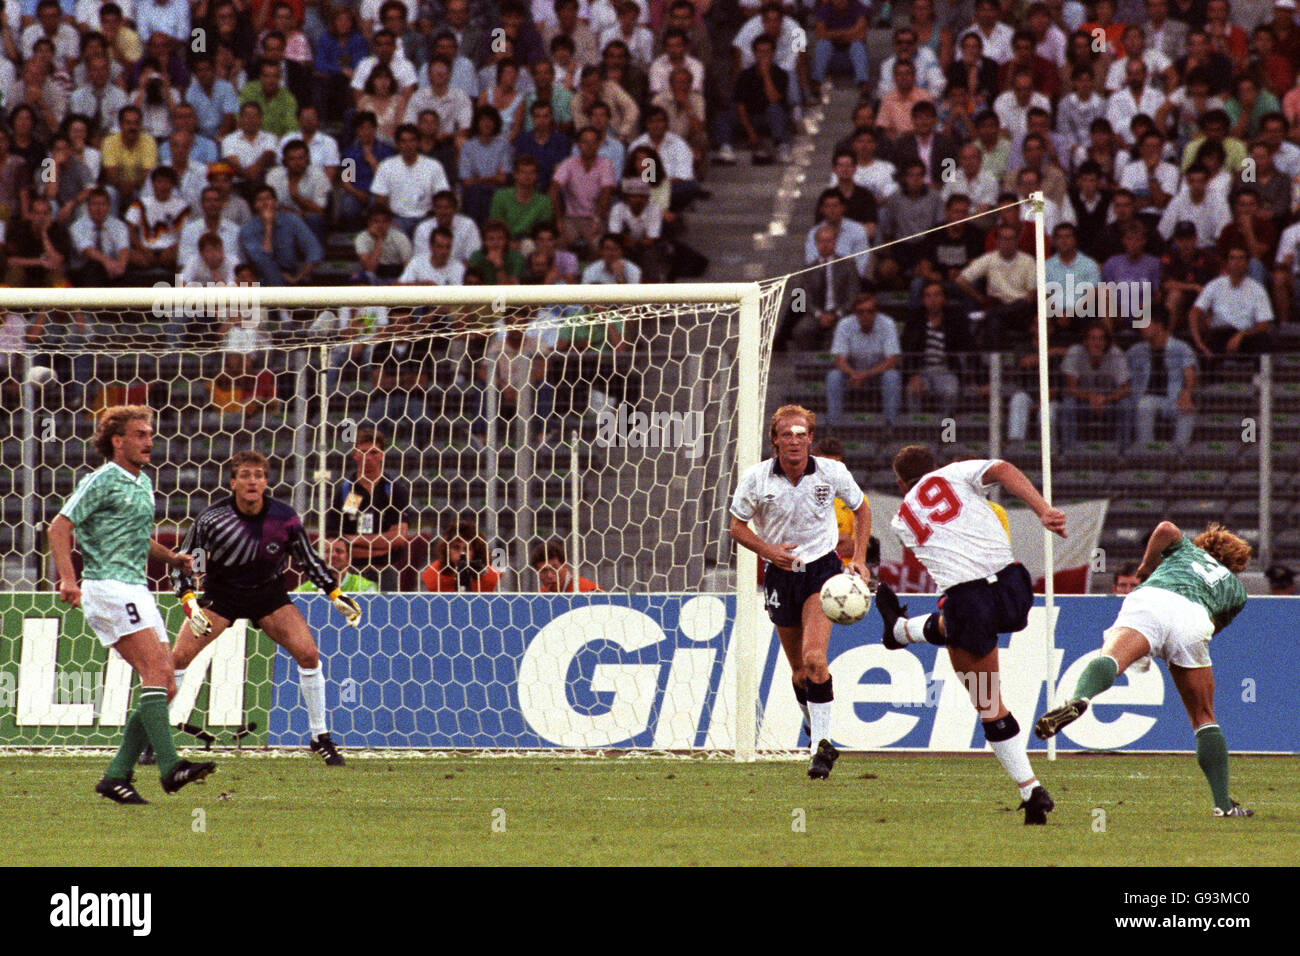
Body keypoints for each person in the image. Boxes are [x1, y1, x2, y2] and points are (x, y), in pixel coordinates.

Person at [875, 444, 1065, 824]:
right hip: (1014, 588)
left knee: (988, 702)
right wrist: (1043, 510)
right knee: (960, 626)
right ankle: (901, 629)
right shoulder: (957, 472)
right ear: (938, 466)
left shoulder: (901, 520)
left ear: (900, 483)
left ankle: (1031, 790)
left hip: (969, 599)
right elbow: (1004, 467)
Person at [47, 405, 215, 804]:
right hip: (107, 587)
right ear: (117, 440)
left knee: (167, 681)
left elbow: (138, 537)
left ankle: (116, 776)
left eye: (150, 434)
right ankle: (171, 766)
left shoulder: (142, 482)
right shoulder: (101, 479)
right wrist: (68, 579)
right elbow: (59, 527)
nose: (149, 441)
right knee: (156, 671)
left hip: (136, 588)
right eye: (140, 434)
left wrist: (171, 557)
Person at [1035, 521, 1254, 818]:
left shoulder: (1186, 549)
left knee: (1113, 658)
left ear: (1204, 544)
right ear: (1237, 564)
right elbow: (1212, 628)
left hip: (1150, 599)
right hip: (1194, 618)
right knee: (1203, 716)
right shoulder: (1237, 591)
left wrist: (1146, 568)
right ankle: (1223, 805)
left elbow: (1165, 528)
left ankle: (1081, 698)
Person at [170, 450, 361, 767]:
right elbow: (181, 564)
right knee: (177, 657)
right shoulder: (211, 519)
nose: (252, 481)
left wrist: (335, 593)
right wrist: (190, 604)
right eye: (245, 475)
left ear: (266, 482)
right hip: (222, 596)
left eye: (258, 475)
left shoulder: (284, 518)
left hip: (269, 596)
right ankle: (152, 737)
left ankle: (320, 737)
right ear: (233, 482)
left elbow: (309, 560)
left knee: (309, 654)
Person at [729, 405, 872, 779]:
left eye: (801, 434)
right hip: (780, 576)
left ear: (810, 438)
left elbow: (862, 509)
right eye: (786, 435)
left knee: (814, 660)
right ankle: (816, 725)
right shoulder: (756, 478)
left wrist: (858, 557)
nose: (794, 441)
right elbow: (736, 527)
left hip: (822, 573)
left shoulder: (832, 471)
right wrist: (767, 550)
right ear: (775, 440)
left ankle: (821, 749)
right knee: (798, 673)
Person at [326, 427, 412, 591]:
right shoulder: (345, 492)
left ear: (382, 455)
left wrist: (355, 540)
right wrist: (382, 546)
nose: (369, 457)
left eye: (374, 452)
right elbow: (335, 540)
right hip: (351, 572)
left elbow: (399, 538)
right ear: (355, 455)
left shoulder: (395, 490)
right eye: (364, 452)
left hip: (385, 571)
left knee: (386, 615)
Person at [825, 291, 902, 430]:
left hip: (878, 374)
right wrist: (854, 374)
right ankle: (834, 425)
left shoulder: (887, 323)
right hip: (851, 374)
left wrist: (864, 375)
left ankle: (891, 426)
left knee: (892, 376)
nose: (866, 315)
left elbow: (892, 360)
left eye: (870, 311)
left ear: (876, 312)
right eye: (861, 312)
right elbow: (839, 360)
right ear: (854, 313)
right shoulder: (844, 324)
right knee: (833, 376)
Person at [1127, 312, 1198, 448]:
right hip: (1146, 398)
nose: (1139, 327)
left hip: (1173, 399)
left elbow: (1190, 374)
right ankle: (1147, 452)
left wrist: (1187, 394)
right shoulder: (1135, 351)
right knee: (1144, 405)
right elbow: (1126, 376)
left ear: (1159, 326)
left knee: (1187, 409)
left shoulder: (1181, 348)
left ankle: (1179, 452)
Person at [422, 521, 502, 592]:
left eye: (467, 548)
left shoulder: (489, 577)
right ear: (447, 549)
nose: (462, 553)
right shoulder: (434, 575)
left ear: (475, 551)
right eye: (456, 548)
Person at [531, 539, 600, 592]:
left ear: (565, 566)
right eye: (543, 571)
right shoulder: (542, 596)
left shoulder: (589, 591)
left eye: (554, 568)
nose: (549, 575)